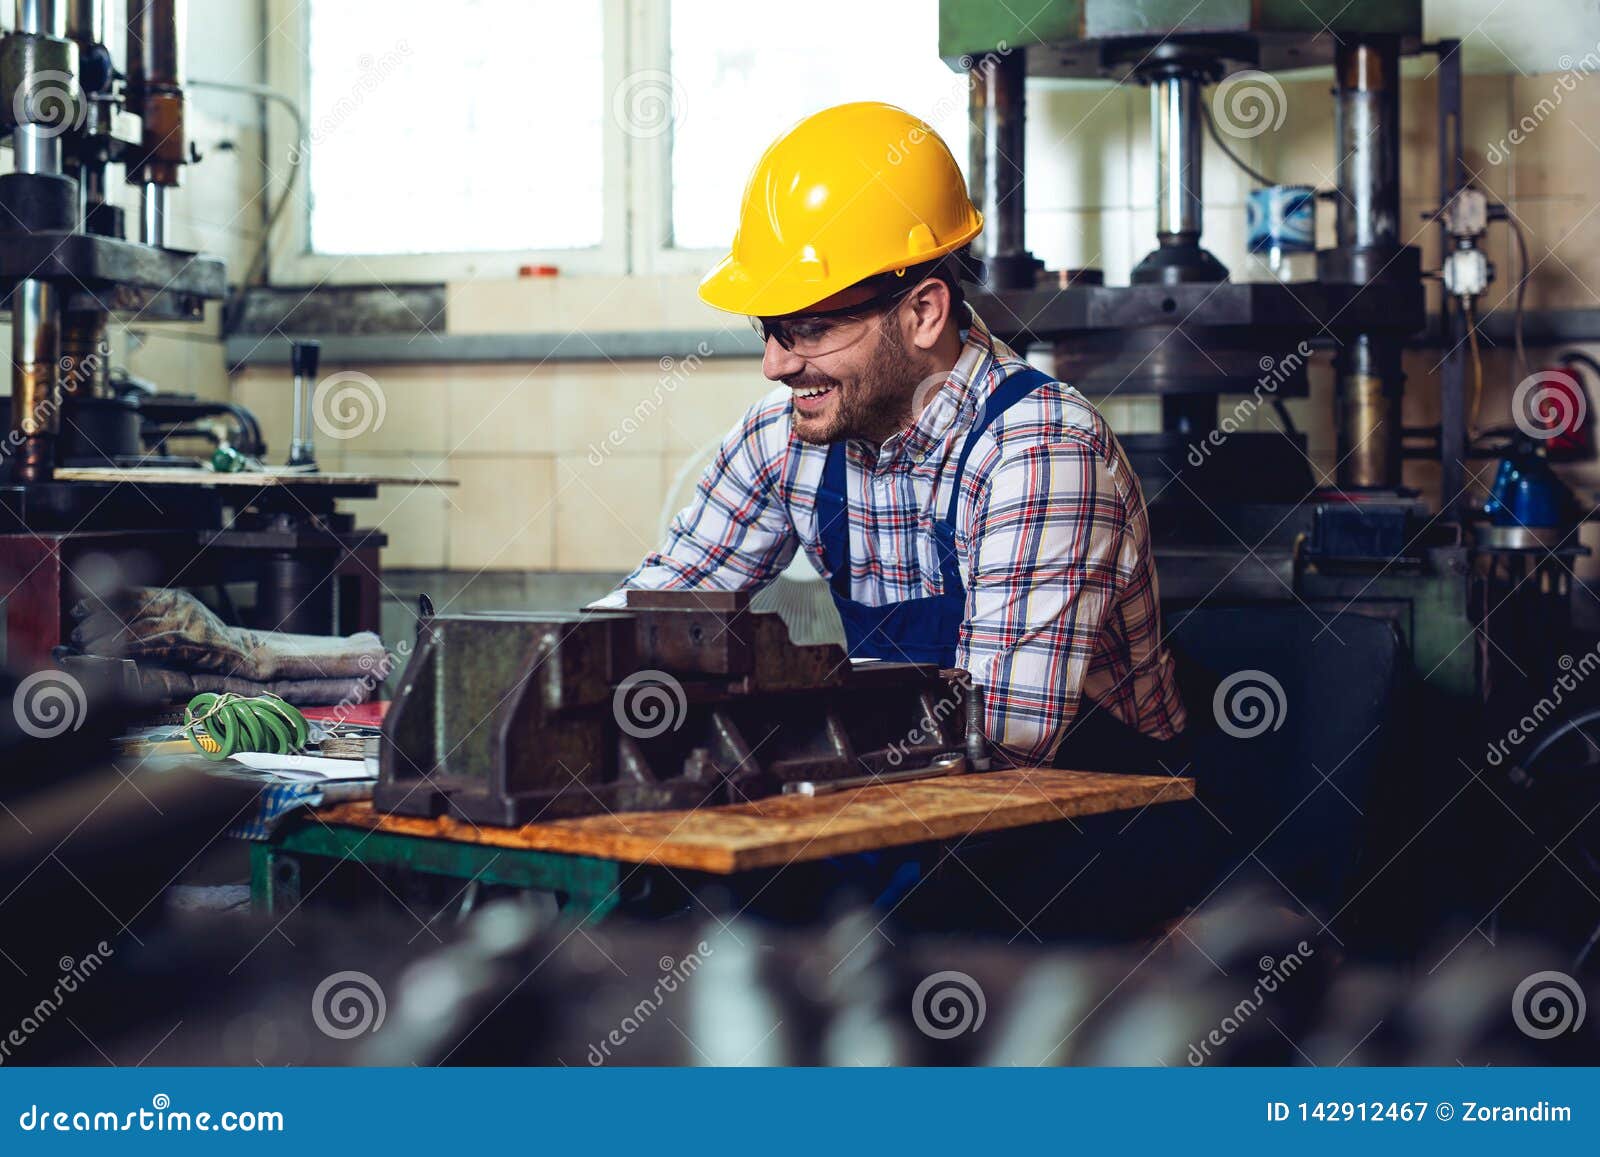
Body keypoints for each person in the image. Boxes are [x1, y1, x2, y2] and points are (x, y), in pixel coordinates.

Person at [609, 101, 1186, 773]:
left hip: (1091, 819)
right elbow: (654, 610)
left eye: (810, 329)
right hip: (912, 794)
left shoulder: (1039, 451)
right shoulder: (786, 435)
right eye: (767, 328)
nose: (775, 364)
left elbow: (1002, 738)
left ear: (922, 312)